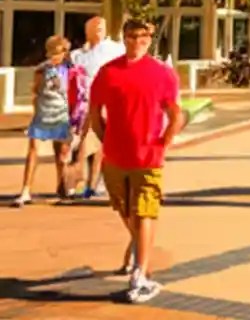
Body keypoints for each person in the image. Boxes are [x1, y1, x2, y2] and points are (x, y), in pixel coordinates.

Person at [88, 19, 183, 304]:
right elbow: (95, 114)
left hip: (148, 159)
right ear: (124, 38)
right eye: (132, 36)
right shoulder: (108, 73)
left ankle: (140, 274)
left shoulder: (162, 73)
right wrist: (107, 140)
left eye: (143, 36)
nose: (137, 41)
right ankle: (141, 252)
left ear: (150, 39)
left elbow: (175, 113)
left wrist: (164, 141)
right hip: (116, 157)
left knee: (144, 213)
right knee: (126, 211)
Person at [11, 36, 84, 207]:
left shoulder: (72, 70)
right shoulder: (41, 69)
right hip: (44, 113)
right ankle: (26, 190)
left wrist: (75, 118)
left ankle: (63, 189)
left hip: (62, 114)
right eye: (51, 53)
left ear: (65, 52)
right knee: (33, 150)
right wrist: (36, 111)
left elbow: (77, 95)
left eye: (57, 53)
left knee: (61, 154)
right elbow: (36, 91)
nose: (54, 56)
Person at [70, 16, 125, 199]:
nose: (99, 29)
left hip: (107, 105)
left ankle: (94, 184)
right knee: (83, 147)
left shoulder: (116, 49)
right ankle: (86, 183)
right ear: (87, 31)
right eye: (95, 27)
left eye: (102, 26)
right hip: (82, 107)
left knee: (99, 145)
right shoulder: (78, 55)